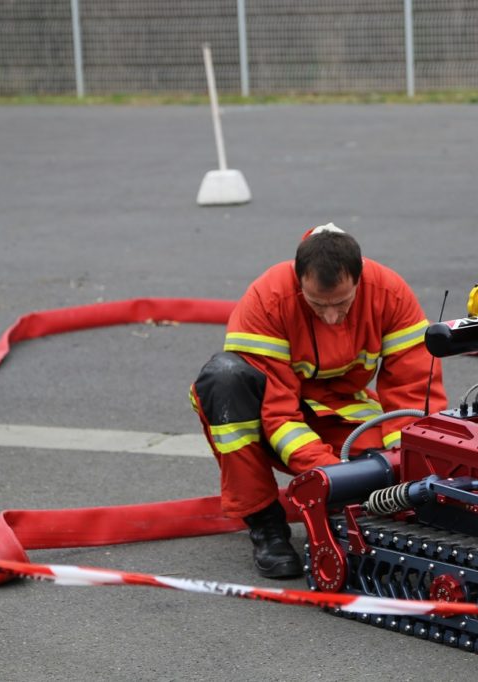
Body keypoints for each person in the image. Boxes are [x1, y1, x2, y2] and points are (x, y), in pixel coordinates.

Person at [190, 223, 448, 578]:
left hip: (342, 412)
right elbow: (278, 415)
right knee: (224, 377)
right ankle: (266, 525)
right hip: (271, 420)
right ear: (299, 283)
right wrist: (333, 475)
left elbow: (414, 394)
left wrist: (413, 473)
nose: (330, 316)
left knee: (383, 468)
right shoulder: (268, 300)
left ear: (361, 278)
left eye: (342, 303)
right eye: (316, 304)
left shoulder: (389, 293)